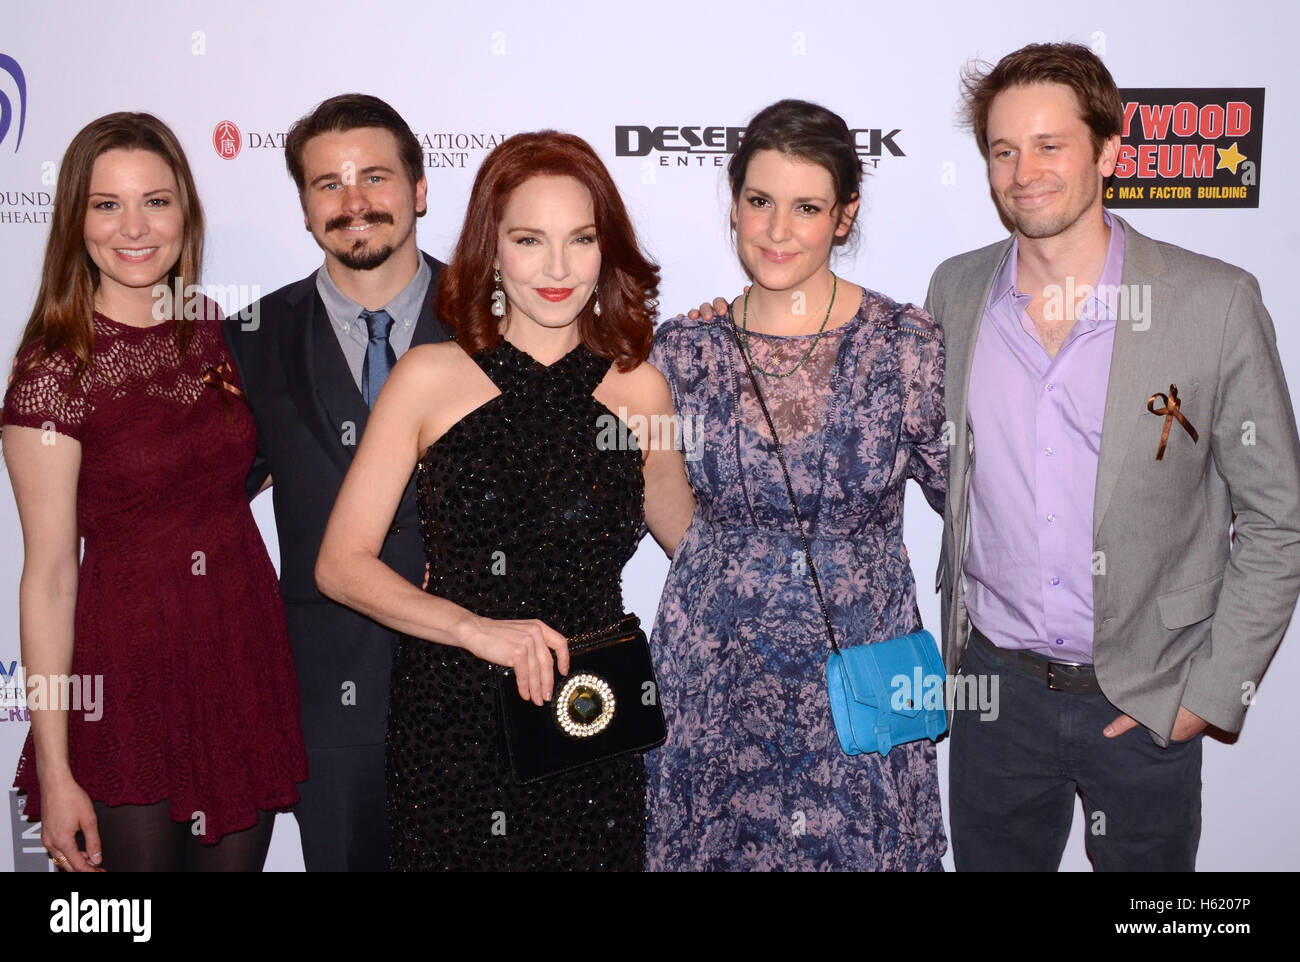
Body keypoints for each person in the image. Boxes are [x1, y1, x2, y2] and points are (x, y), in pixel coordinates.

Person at [926, 42, 1300, 871]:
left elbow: (1280, 522)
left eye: (1050, 145)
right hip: (995, 695)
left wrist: (1206, 696)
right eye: (1003, 150)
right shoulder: (954, 292)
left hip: (1144, 696)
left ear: (1110, 151)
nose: (1024, 171)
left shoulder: (1214, 303)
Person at [315, 130, 694, 871]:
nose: (556, 269)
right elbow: (340, 564)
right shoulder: (429, 376)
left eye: (580, 240)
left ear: (605, 250)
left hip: (591, 718)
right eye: (529, 240)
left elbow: (690, 536)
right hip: (454, 721)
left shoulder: (638, 389)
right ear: (493, 249)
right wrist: (476, 629)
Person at [1, 112, 307, 872]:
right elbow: (47, 578)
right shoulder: (54, 370)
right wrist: (58, 767)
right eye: (107, 204)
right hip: (129, 682)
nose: (134, 227)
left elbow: (251, 469)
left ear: (185, 214)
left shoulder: (216, 333)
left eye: (156, 201)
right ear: (75, 218)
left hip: (241, 660)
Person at [654, 99, 949, 870]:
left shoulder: (906, 348)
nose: (777, 231)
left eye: (807, 207)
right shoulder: (685, 350)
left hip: (862, 677)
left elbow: (979, 500)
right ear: (735, 204)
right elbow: (654, 497)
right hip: (714, 676)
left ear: (844, 216)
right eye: (759, 202)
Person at [222, 94, 451, 871]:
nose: (355, 203)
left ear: (419, 190)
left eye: (377, 178)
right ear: (304, 206)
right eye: (329, 185)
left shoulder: (499, 320)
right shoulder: (249, 340)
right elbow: (197, 499)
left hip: (482, 688)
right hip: (327, 698)